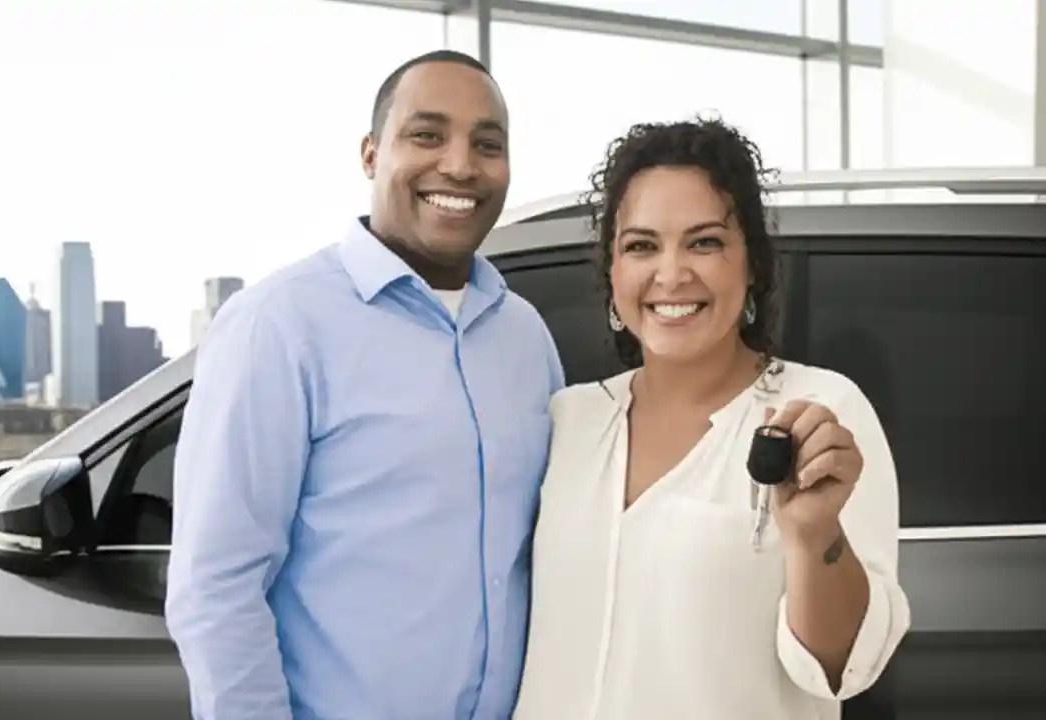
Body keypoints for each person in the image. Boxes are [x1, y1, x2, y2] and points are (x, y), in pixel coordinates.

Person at [164, 50, 564, 720]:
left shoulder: (525, 336)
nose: (461, 165)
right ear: (371, 154)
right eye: (427, 135)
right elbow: (216, 589)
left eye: (487, 144)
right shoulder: (279, 326)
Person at [512, 117, 910, 719]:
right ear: (612, 273)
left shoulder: (818, 411)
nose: (671, 274)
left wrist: (814, 537)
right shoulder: (571, 421)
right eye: (641, 245)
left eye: (704, 242)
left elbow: (840, 667)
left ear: (751, 263)